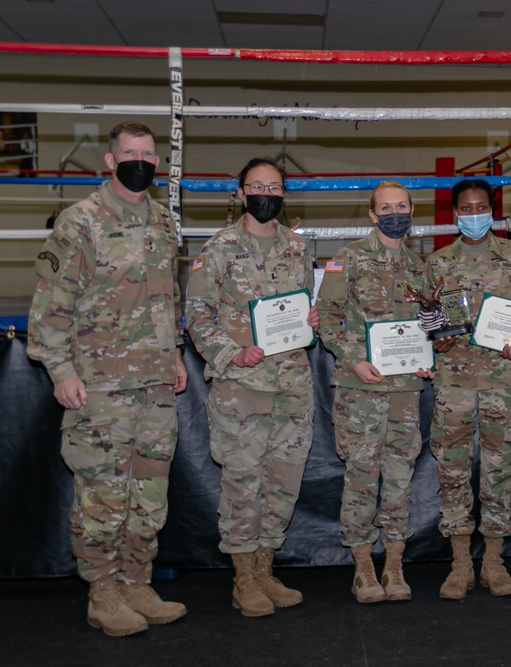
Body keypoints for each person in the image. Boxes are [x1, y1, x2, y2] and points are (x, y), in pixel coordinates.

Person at [27, 121, 188, 637]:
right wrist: (61, 370)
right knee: (102, 494)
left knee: (149, 493)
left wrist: (177, 356)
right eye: (130, 152)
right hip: (100, 386)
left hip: (156, 383)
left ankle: (137, 581)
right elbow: (51, 308)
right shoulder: (81, 222)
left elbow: (169, 298)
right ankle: (103, 592)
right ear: (110, 160)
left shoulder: (163, 220)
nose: (140, 160)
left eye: (148, 153)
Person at [185, 157, 318, 617]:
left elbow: (302, 305)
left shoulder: (300, 249)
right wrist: (230, 353)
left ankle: (265, 568)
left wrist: (311, 320)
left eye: (275, 186)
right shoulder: (217, 249)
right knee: (244, 483)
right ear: (241, 193)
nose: (267, 193)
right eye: (257, 186)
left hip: (293, 382)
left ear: (284, 194)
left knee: (284, 480)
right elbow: (197, 317)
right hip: (241, 384)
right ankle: (244, 578)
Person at [316, 180, 433, 604]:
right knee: (362, 477)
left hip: (405, 389)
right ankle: (364, 567)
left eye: (401, 205)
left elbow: (429, 327)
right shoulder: (347, 259)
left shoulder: (422, 269)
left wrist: (429, 357)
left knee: (400, 478)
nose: (394, 213)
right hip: (360, 389)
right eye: (385, 207)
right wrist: (352, 359)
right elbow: (327, 320)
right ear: (372, 214)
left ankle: (395, 564)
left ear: (411, 210)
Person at [425, 179, 511, 600]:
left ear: (493, 210)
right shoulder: (437, 263)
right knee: (451, 469)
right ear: (455, 213)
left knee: (498, 470)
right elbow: (430, 321)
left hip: (502, 379)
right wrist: (438, 337)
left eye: (481, 207)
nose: (474, 214)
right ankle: (458, 564)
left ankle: (493, 561)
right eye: (466, 208)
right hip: (454, 380)